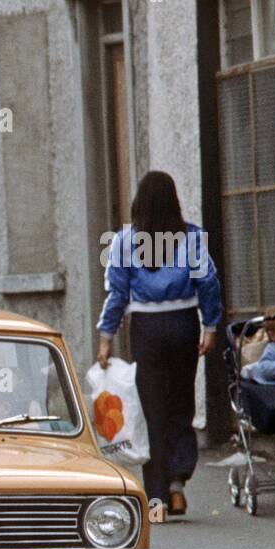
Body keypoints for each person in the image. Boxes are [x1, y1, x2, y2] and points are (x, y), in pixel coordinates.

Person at [96, 171, 223, 517]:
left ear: (140, 202)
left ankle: (155, 499)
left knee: (152, 409)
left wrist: (106, 337)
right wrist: (210, 326)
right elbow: (208, 283)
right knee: (181, 403)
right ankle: (178, 481)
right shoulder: (192, 237)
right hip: (184, 323)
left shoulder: (124, 240)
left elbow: (117, 293)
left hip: (146, 328)